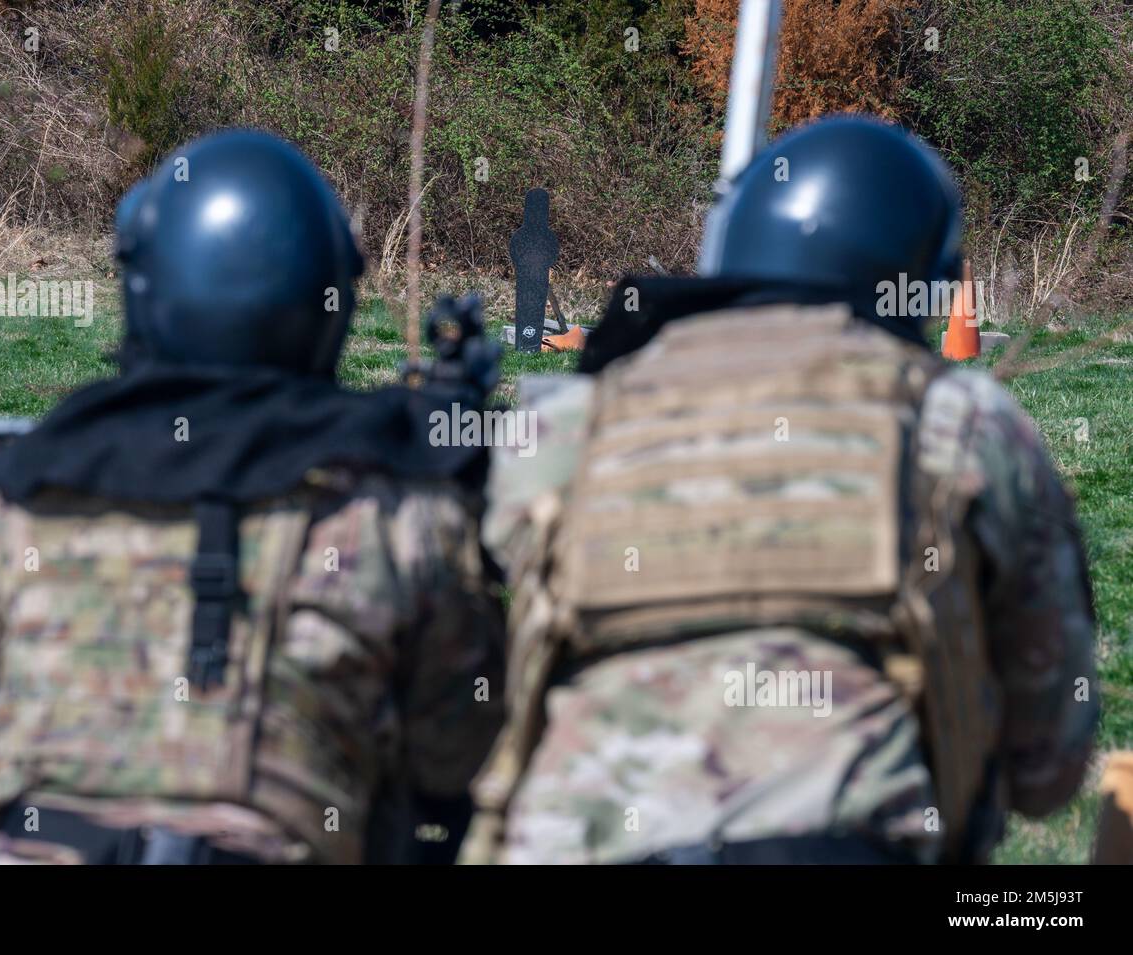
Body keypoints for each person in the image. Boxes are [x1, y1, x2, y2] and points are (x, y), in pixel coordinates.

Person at [461, 115, 1098, 865]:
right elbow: (1047, 764)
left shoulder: (566, 424)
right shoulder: (964, 426)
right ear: (919, 282)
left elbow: (451, 695)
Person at [0, 130, 505, 865]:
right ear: (329, 302)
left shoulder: (29, 497)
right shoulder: (396, 517)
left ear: (145, 287)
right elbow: (455, 752)